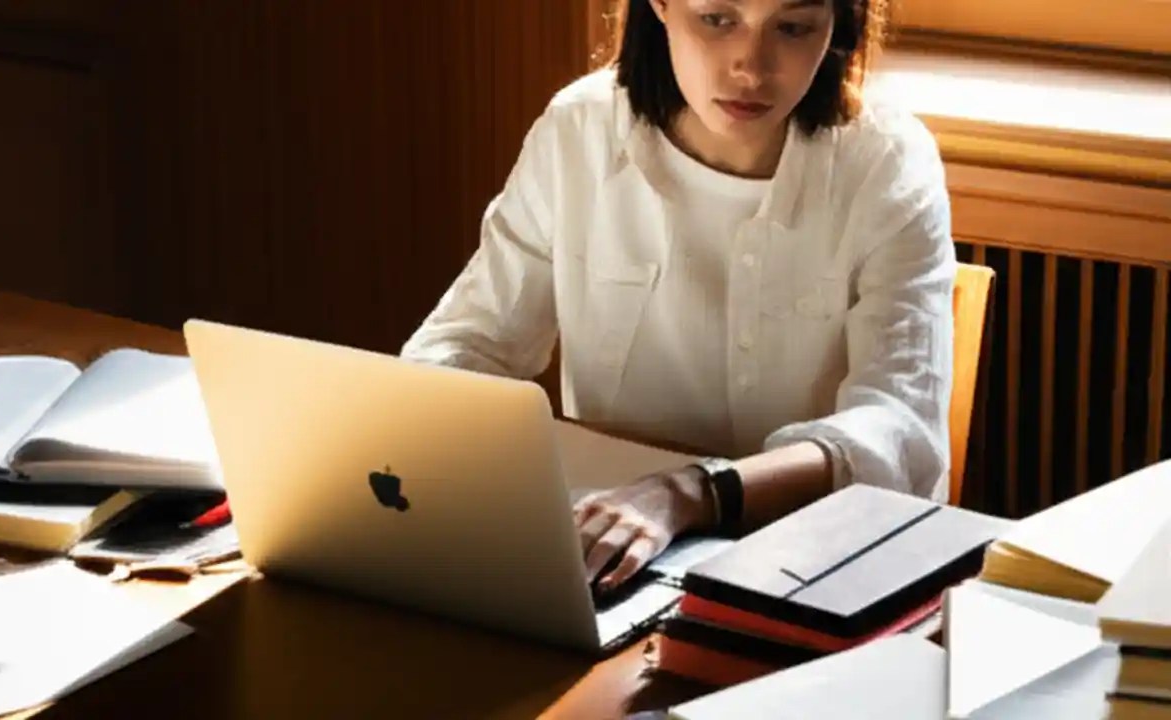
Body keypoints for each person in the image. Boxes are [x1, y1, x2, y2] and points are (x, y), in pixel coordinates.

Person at [401, 0, 955, 594]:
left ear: (837, 25)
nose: (751, 67)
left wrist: (691, 493)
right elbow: (470, 341)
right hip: (610, 550)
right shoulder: (581, 130)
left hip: (811, 562)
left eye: (793, 28)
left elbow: (898, 430)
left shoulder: (885, 161)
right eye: (717, 19)